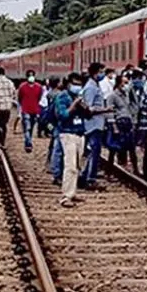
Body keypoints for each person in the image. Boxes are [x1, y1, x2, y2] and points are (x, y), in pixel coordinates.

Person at [54, 72, 88, 207]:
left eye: (80, 84)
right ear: (68, 84)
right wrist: (74, 105)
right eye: (75, 84)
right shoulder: (62, 97)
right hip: (67, 134)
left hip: (79, 133)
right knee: (70, 166)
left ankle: (72, 192)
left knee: (78, 165)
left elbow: (87, 114)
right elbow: (62, 115)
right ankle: (66, 196)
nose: (77, 87)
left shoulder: (79, 97)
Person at [79, 63, 114, 191]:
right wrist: (106, 109)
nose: (103, 74)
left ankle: (85, 177)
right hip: (93, 125)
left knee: (93, 152)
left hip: (96, 124)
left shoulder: (94, 86)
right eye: (101, 71)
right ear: (95, 72)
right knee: (94, 152)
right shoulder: (91, 88)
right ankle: (90, 179)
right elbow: (88, 108)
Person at [107, 72, 139, 173]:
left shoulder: (126, 95)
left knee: (131, 147)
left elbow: (135, 105)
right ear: (119, 83)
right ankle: (110, 170)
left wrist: (132, 91)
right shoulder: (112, 96)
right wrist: (114, 126)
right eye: (124, 82)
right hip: (119, 122)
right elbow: (109, 111)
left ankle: (136, 169)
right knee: (114, 148)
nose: (126, 85)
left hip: (128, 122)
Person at [17, 70, 44, 153]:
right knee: (28, 128)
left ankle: (28, 141)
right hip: (28, 110)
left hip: (33, 110)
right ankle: (28, 144)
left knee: (30, 128)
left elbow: (20, 98)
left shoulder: (37, 87)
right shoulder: (37, 87)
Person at [0, 67, 17, 147]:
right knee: (4, 125)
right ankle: (3, 142)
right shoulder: (10, 82)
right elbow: (14, 93)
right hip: (8, 107)